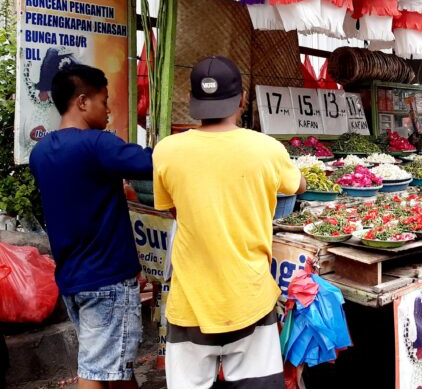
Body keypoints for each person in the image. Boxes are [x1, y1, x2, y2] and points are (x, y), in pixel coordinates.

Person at [153, 56, 306, 388]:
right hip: (249, 297)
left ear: (195, 100)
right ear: (242, 98)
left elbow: (173, 210)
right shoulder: (267, 149)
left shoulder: (166, 151)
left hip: (190, 303)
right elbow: (298, 186)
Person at [29, 65, 152, 389]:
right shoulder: (97, 145)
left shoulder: (41, 153)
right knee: (96, 371)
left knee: (116, 365)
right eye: (103, 101)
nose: (108, 110)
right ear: (82, 102)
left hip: (72, 279)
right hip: (107, 279)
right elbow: (153, 164)